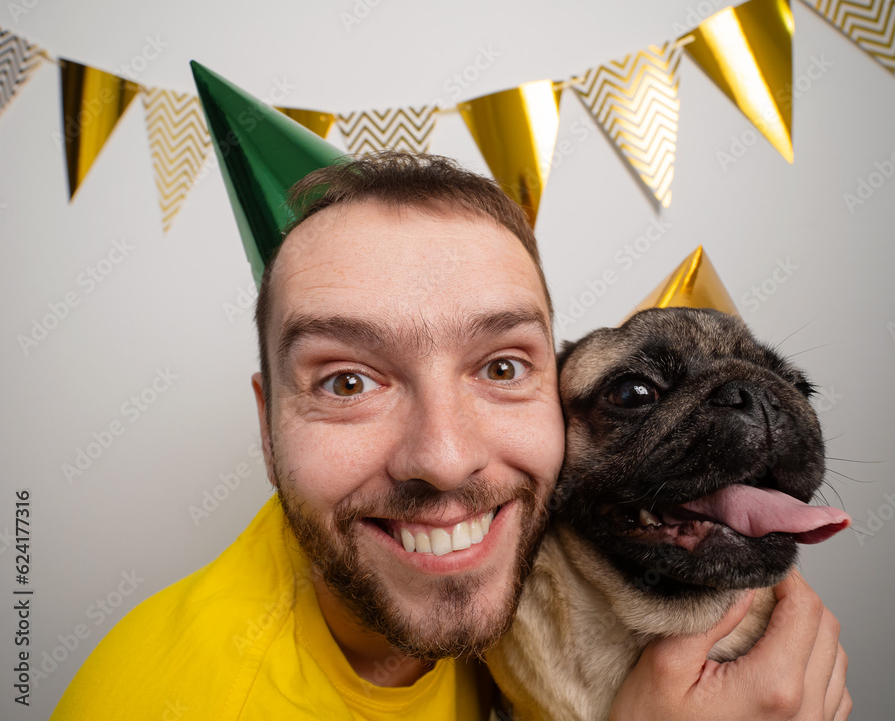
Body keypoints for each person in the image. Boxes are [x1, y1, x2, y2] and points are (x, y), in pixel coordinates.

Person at [52, 150, 850, 720]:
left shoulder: (519, 589)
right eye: (347, 380)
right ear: (266, 425)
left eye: (501, 368)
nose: (443, 456)